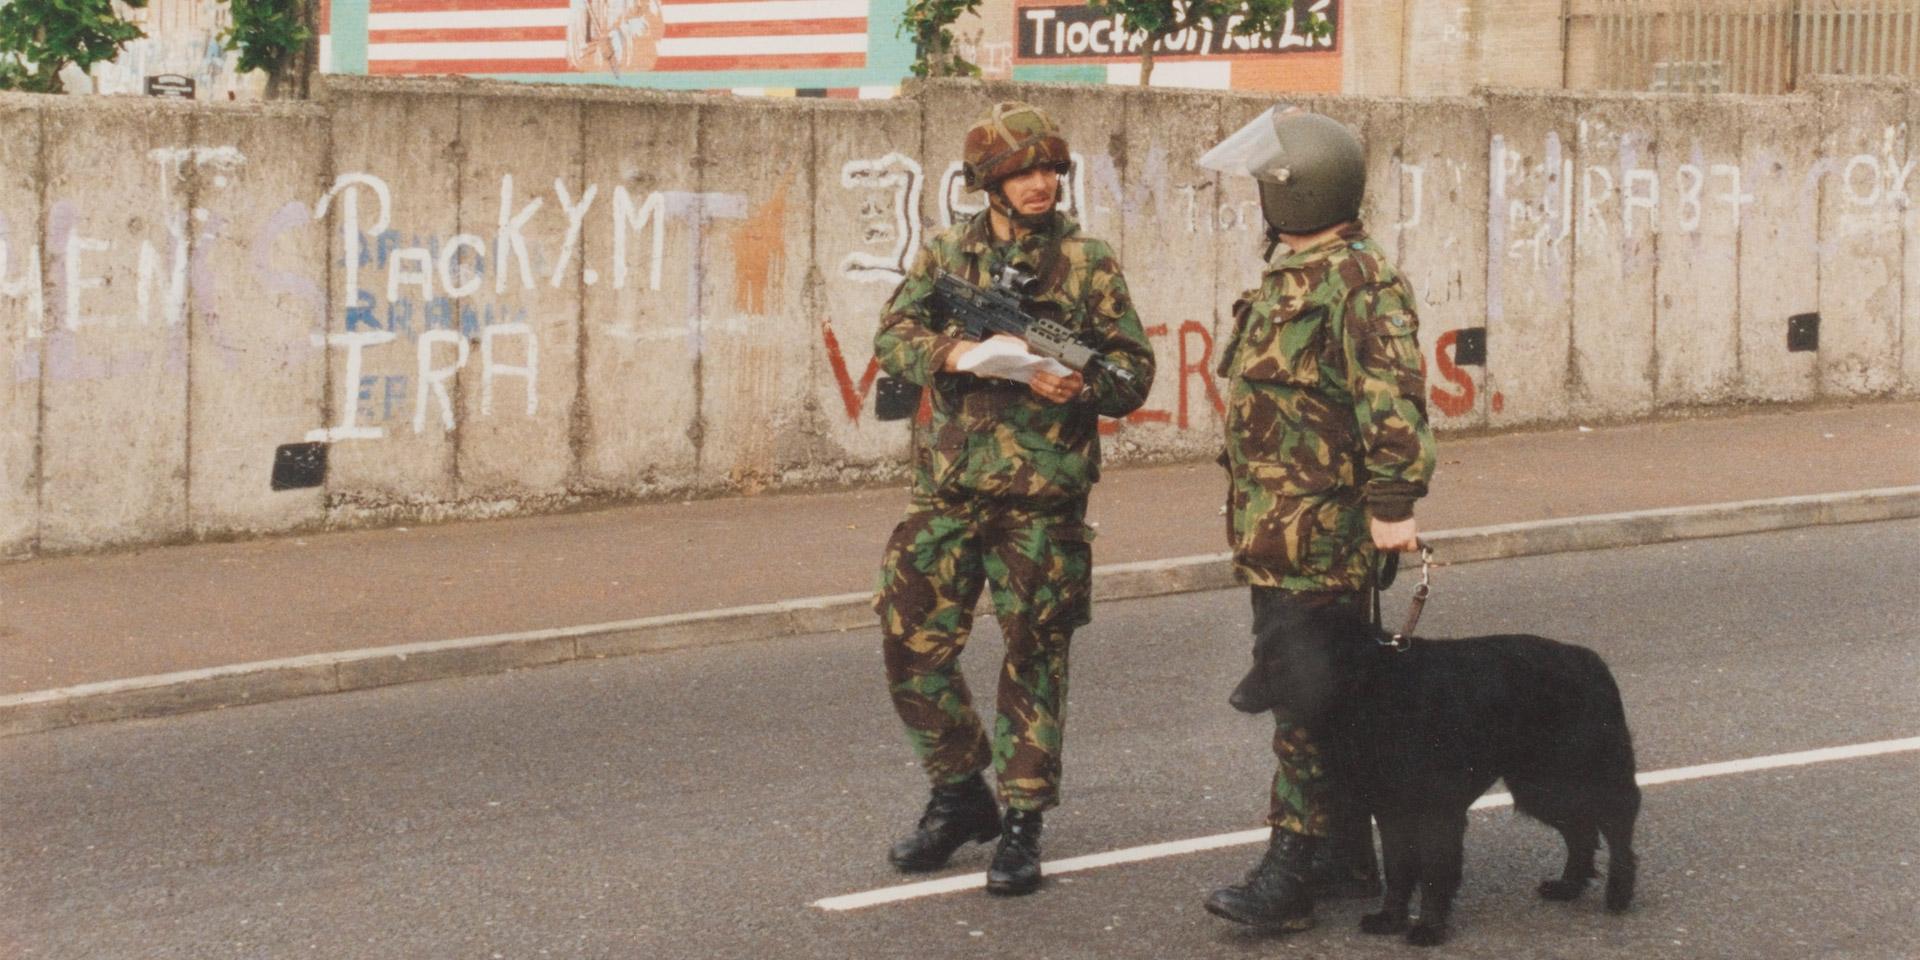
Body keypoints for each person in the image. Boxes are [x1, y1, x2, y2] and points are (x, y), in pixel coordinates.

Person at [871, 101, 1156, 897]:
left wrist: (1079, 380)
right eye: (1022, 171)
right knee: (909, 643)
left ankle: (1023, 820)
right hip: (950, 488)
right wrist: (960, 351)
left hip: (1042, 496)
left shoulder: (1087, 261)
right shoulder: (948, 254)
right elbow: (892, 333)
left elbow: (1132, 373)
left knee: (1035, 659)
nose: (1040, 183)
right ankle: (962, 791)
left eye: (1049, 170)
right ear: (987, 182)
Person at [1196, 107, 1437, 932]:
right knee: (1323, 699)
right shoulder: (1296, 274)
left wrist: (1394, 509)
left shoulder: (1360, 282)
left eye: (1268, 185)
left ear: (1296, 194)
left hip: (1325, 536)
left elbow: (1394, 402)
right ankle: (1344, 855)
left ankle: (1291, 872)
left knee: (1303, 703)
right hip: (1277, 534)